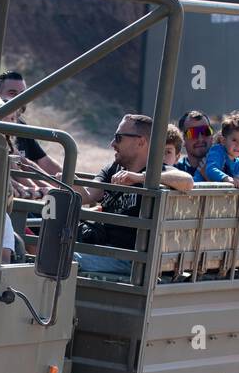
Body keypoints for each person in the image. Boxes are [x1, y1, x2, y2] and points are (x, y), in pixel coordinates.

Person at [76, 114, 193, 279]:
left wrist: (141, 177)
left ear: (141, 142)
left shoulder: (159, 170)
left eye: (119, 138)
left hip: (129, 259)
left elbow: (187, 182)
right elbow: (88, 195)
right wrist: (69, 179)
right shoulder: (113, 169)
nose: (112, 144)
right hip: (101, 248)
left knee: (62, 259)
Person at [0, 70, 63, 178]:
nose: (19, 98)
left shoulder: (21, 125)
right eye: (12, 93)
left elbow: (43, 161)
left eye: (23, 94)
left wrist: (69, 180)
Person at [197, 112, 239, 186]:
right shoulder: (217, 151)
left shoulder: (238, 164)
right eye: (234, 140)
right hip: (197, 191)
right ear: (223, 140)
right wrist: (228, 178)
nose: (238, 145)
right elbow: (210, 170)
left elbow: (234, 181)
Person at [175, 110, 213, 178]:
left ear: (212, 136)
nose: (200, 138)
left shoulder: (230, 166)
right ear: (182, 139)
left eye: (206, 131)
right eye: (192, 133)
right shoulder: (175, 171)